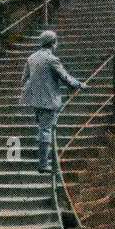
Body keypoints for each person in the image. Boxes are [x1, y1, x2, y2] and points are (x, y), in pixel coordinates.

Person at [19, 30, 81, 174]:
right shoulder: (52, 59)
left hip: (35, 101)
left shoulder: (32, 58)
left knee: (42, 129)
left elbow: (24, 80)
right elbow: (65, 77)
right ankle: (43, 164)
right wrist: (78, 84)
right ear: (53, 43)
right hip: (49, 100)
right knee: (46, 131)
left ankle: (45, 161)